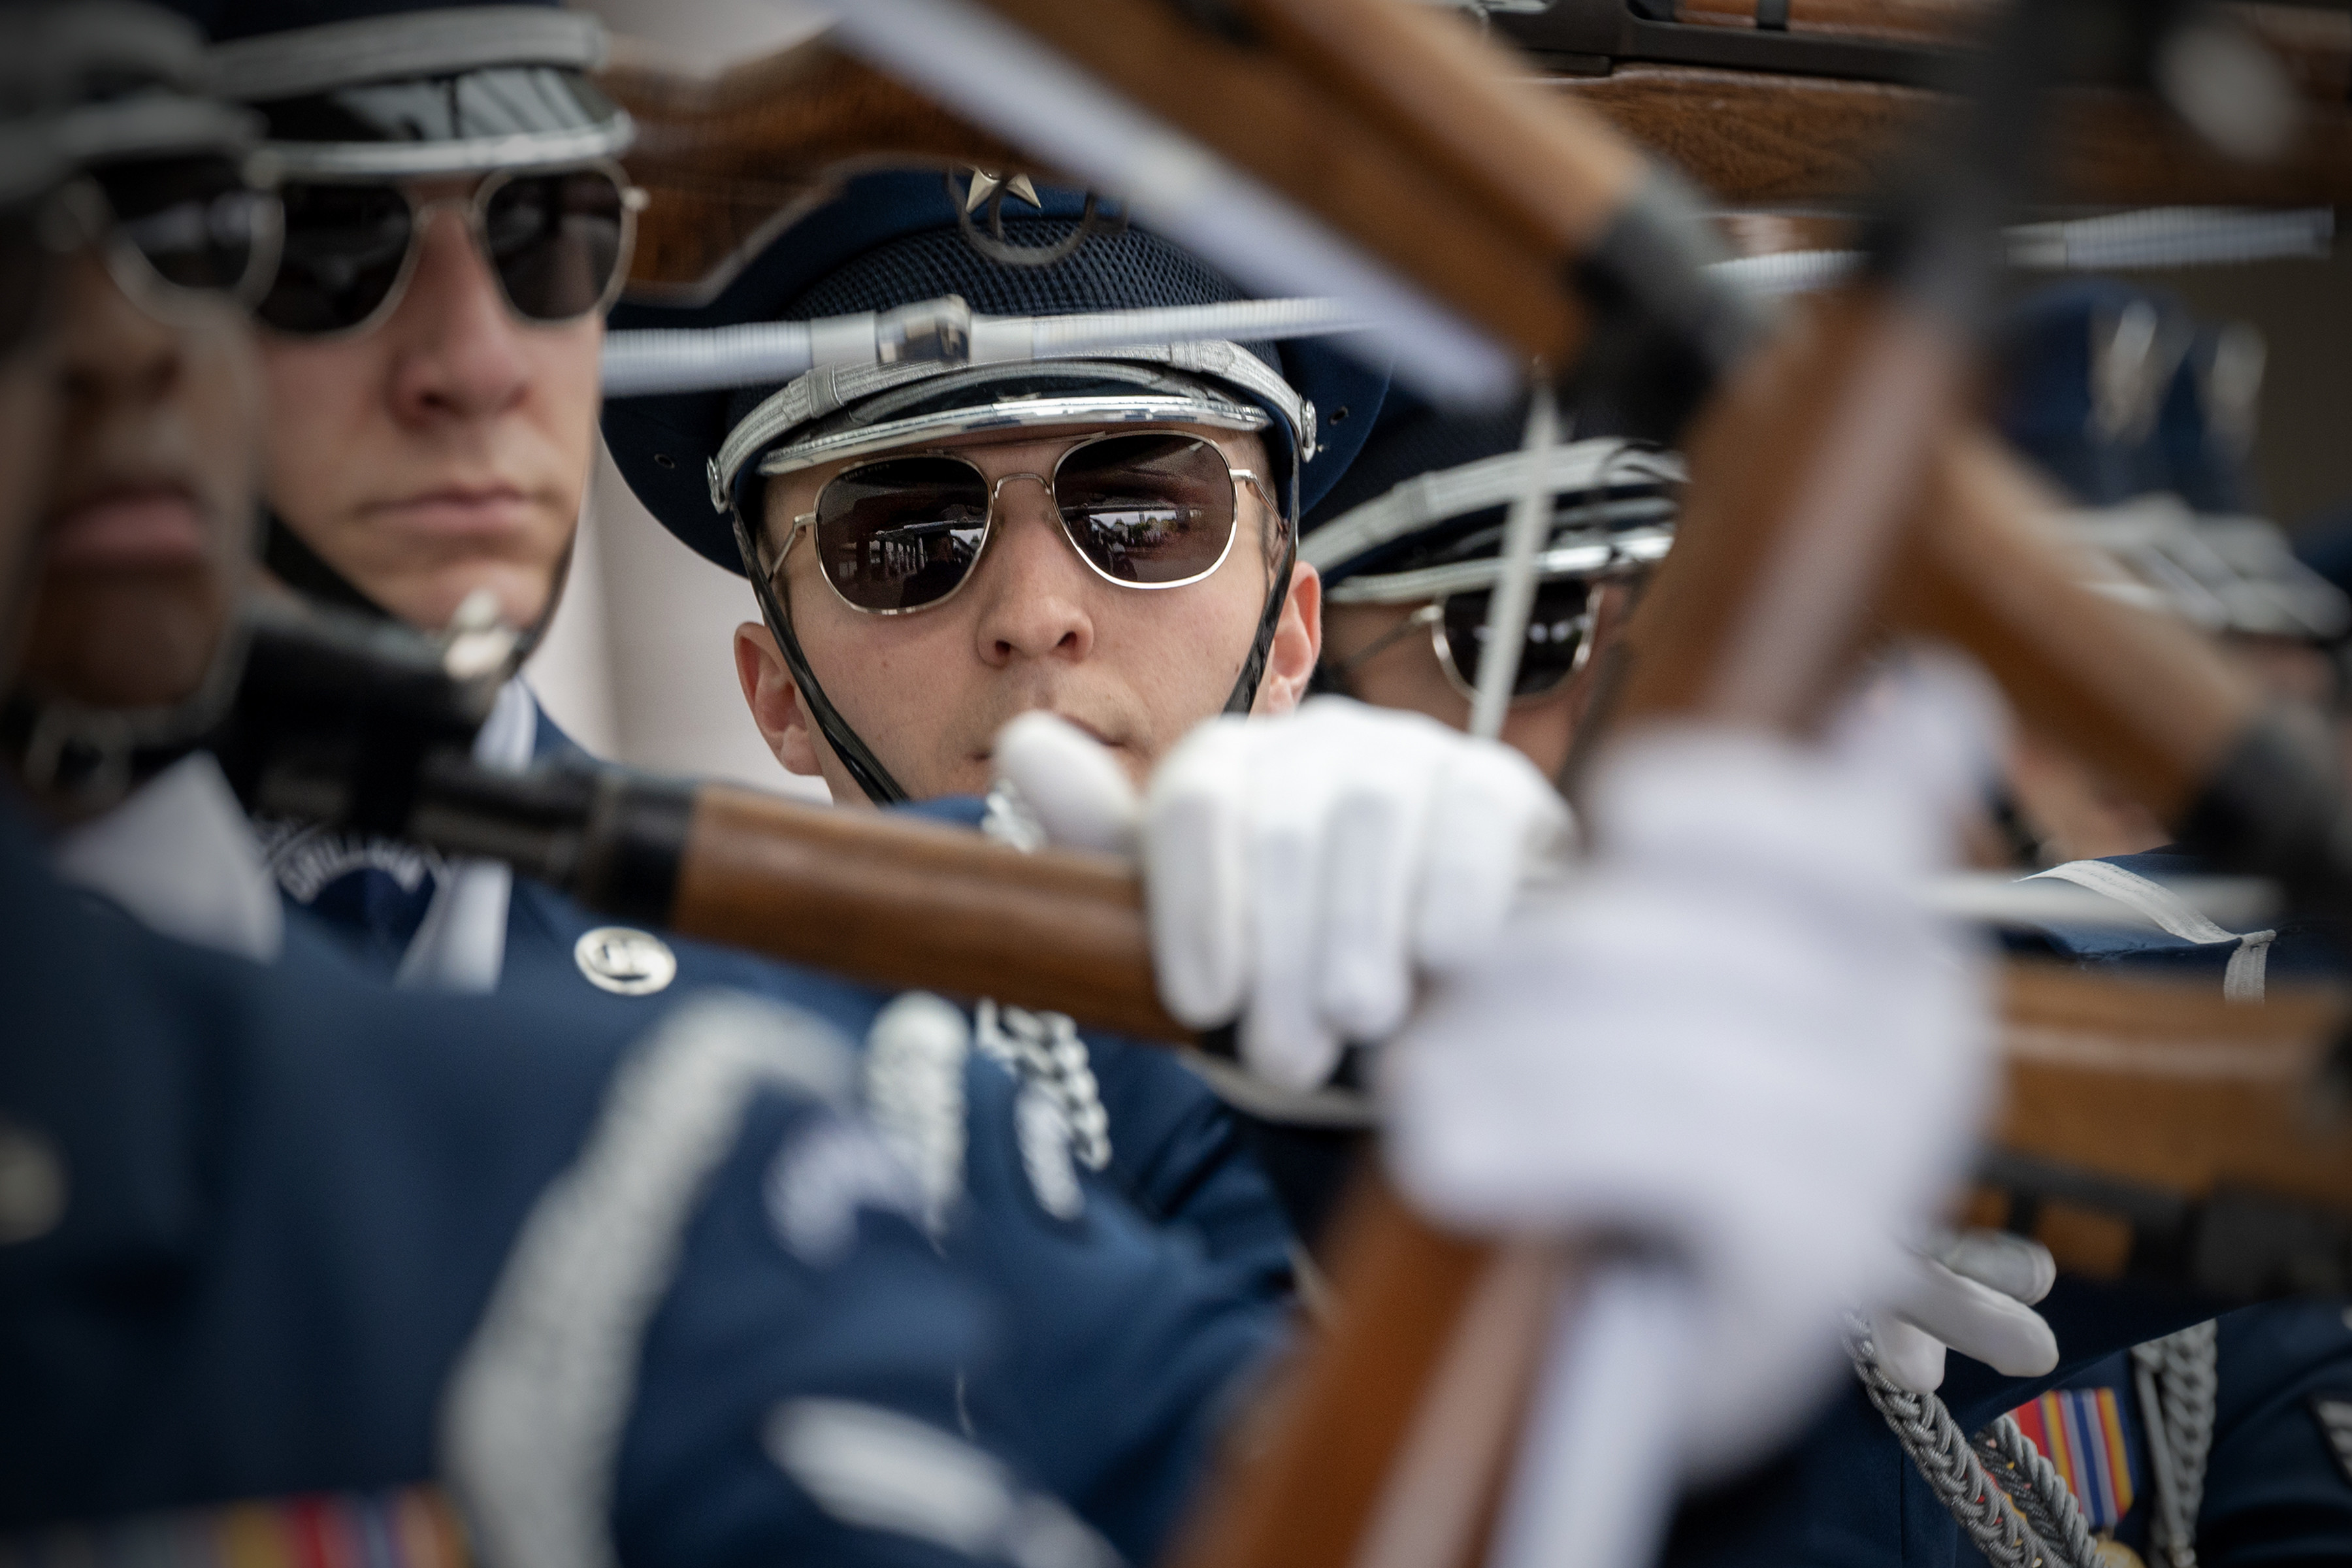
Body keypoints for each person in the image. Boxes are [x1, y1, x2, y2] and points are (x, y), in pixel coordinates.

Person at [0, 8, 1133, 1564]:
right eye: (314, 242)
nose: (474, 365)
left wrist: (1357, 1094)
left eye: (554, 234)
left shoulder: (863, 1009)